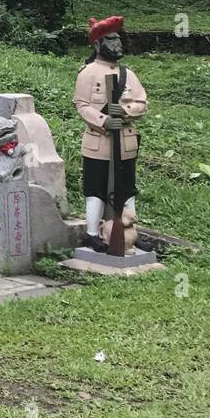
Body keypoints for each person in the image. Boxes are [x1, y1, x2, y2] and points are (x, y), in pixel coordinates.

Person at [73, 16, 147, 253]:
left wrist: (125, 112)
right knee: (95, 188)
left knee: (127, 188)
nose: (117, 44)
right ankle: (92, 234)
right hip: (98, 143)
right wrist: (104, 120)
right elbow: (82, 105)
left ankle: (129, 232)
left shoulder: (128, 74)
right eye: (111, 40)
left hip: (125, 141)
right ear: (97, 44)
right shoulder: (88, 73)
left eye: (118, 39)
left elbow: (142, 102)